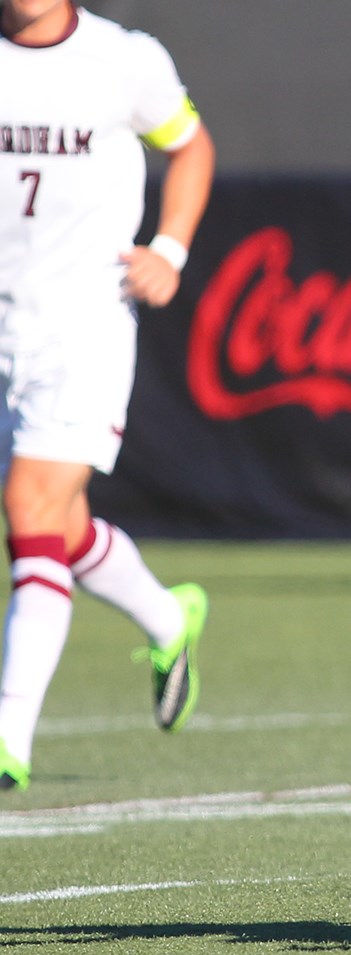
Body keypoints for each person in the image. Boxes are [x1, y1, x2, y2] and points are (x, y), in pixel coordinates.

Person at [0, 0, 215, 791]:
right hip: (4, 329)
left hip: (81, 327)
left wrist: (169, 248)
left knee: (29, 508)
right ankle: (168, 617)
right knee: (56, 520)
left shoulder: (122, 58)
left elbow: (191, 149)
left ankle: (8, 734)